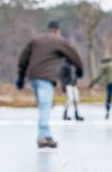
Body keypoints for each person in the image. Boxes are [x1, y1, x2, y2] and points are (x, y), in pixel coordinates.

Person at [17, 20, 84, 148]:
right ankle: (43, 136)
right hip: (45, 78)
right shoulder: (58, 41)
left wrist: (21, 78)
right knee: (45, 106)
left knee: (43, 106)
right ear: (57, 31)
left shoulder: (36, 40)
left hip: (32, 77)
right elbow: (73, 55)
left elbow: (23, 58)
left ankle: (45, 134)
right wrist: (80, 70)